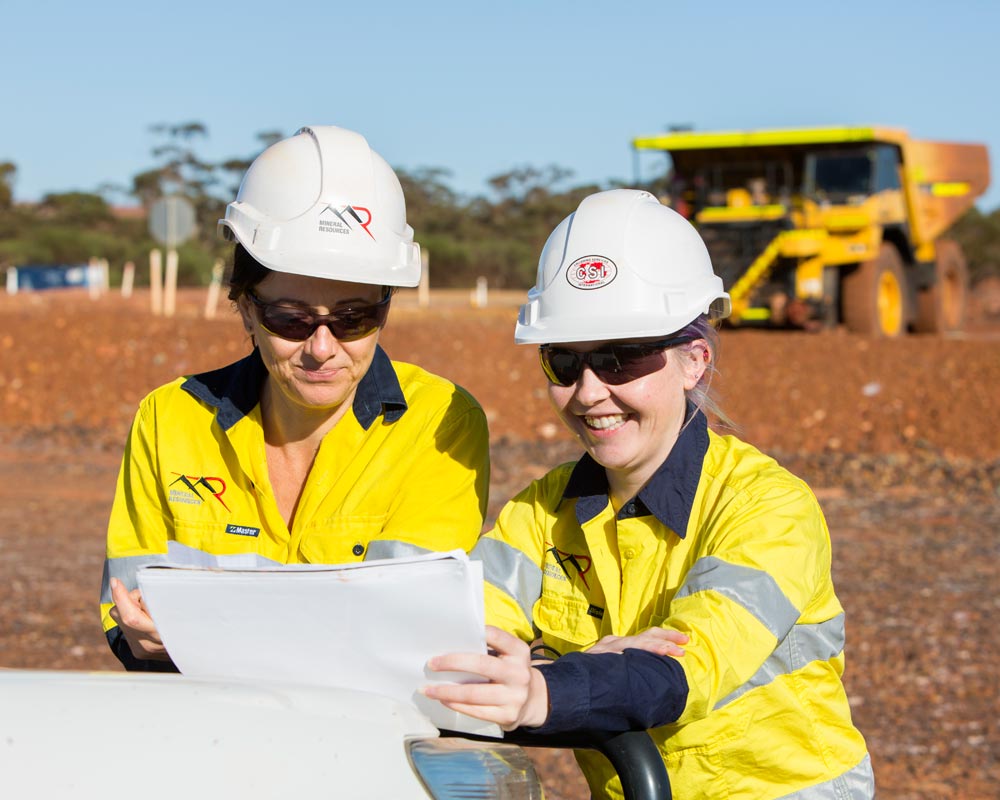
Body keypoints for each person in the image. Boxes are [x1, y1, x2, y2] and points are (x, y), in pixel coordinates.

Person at [424, 189, 873, 799]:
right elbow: (451, 633)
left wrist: (547, 687)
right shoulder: (542, 511)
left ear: (694, 361)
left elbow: (689, 668)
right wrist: (586, 669)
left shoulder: (768, 508)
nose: (588, 393)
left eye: (622, 359)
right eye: (564, 362)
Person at [101, 125, 490, 671]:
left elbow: (409, 632)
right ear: (244, 306)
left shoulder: (440, 423)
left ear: (386, 306)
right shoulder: (169, 419)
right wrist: (137, 636)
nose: (322, 349)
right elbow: (125, 602)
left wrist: (217, 632)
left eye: (355, 318)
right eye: (291, 320)